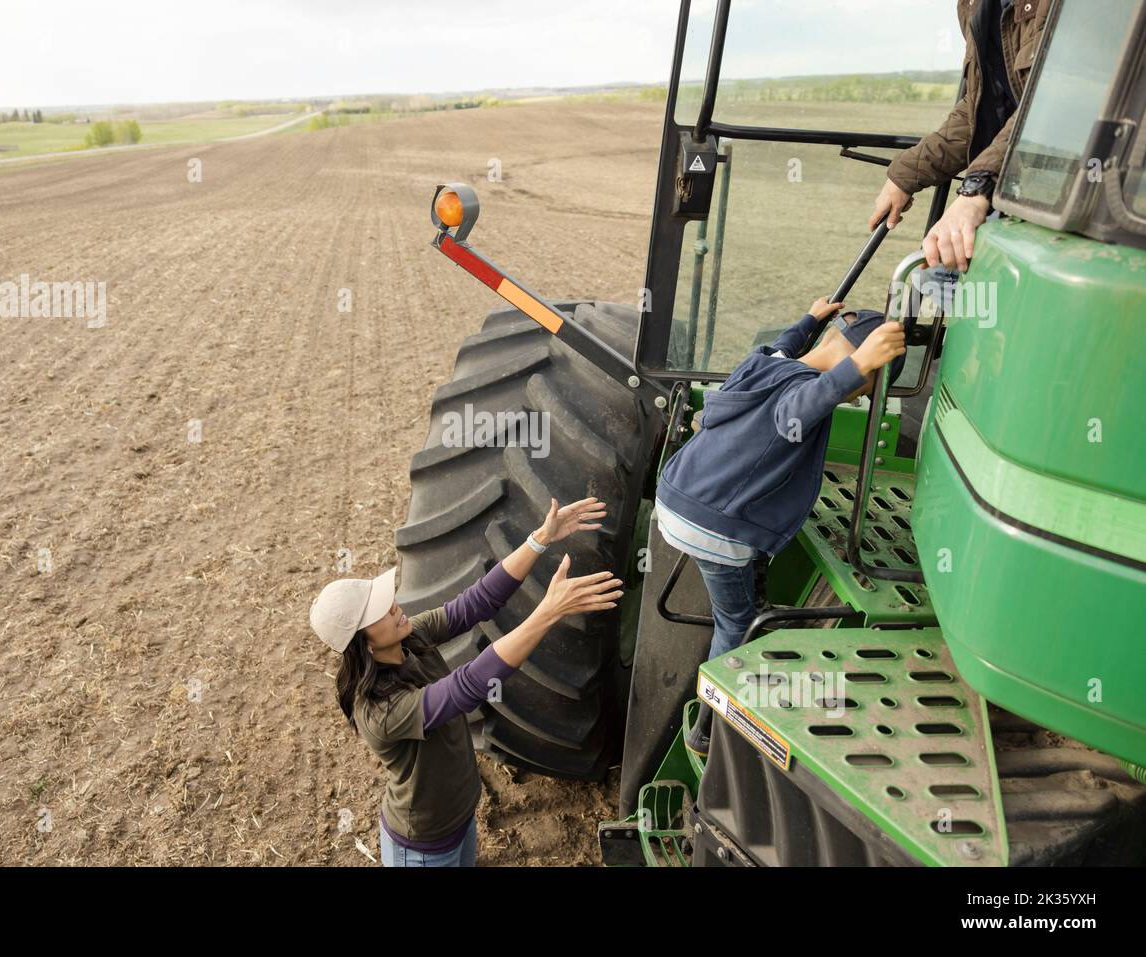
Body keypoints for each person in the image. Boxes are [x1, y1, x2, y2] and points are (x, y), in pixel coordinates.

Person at [309, 497, 621, 867]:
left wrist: (540, 538)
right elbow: (468, 685)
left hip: (459, 820)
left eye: (386, 598)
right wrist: (548, 611)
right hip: (423, 847)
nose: (393, 604)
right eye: (380, 610)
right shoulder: (380, 710)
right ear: (364, 643)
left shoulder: (409, 639)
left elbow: (475, 603)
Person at [654, 298, 907, 755]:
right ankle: (708, 730)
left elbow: (787, 349)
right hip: (714, 527)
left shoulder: (766, 364)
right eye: (867, 386)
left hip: (676, 493)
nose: (860, 395)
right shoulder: (805, 394)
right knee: (735, 622)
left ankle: (754, 593)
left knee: (740, 582)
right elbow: (806, 406)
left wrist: (808, 321)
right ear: (860, 365)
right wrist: (860, 365)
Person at [870, 0, 1053, 269]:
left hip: (1075, 193)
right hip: (1019, 181)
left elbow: (1056, 99)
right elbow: (979, 108)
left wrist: (977, 189)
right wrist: (905, 174)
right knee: (934, 277)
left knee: (948, 278)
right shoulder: (973, 6)